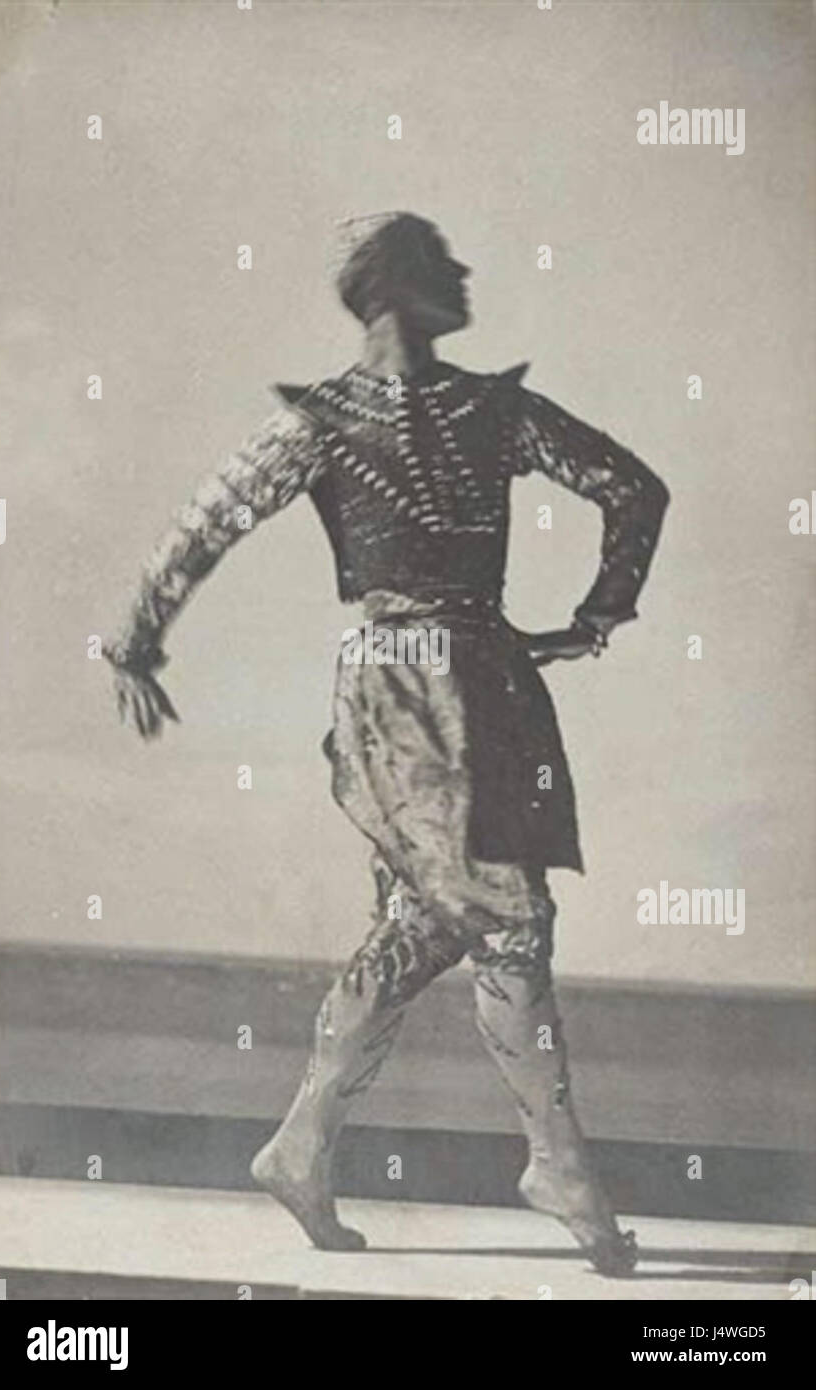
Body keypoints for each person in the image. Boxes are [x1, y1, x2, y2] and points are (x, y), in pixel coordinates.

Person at [104, 211, 669, 1276]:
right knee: (506, 922)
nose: (463, 275)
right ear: (402, 285)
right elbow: (634, 489)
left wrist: (136, 641)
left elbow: (204, 522)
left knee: (423, 924)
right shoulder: (491, 414)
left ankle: (305, 1143)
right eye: (443, 263)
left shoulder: (327, 424)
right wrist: (599, 614)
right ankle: (557, 1163)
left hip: (402, 677)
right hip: (466, 679)